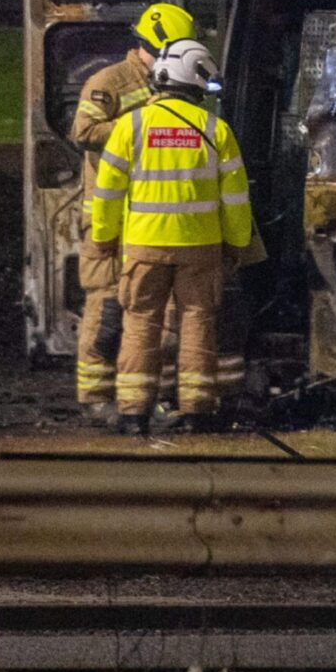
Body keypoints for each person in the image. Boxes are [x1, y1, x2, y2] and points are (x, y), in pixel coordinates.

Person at [90, 38, 252, 435]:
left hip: (144, 246)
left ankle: (133, 414)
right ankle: (196, 411)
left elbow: (107, 191)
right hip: (201, 248)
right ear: (196, 81)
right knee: (198, 322)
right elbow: (234, 199)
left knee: (140, 322)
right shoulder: (217, 130)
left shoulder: (131, 126)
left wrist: (103, 237)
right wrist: (237, 244)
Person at [67, 2, 195, 423]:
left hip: (151, 220)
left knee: (160, 315)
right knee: (106, 311)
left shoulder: (173, 80)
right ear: (145, 46)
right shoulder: (109, 82)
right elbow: (82, 132)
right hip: (109, 218)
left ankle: (149, 399)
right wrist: (141, 128)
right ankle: (97, 398)